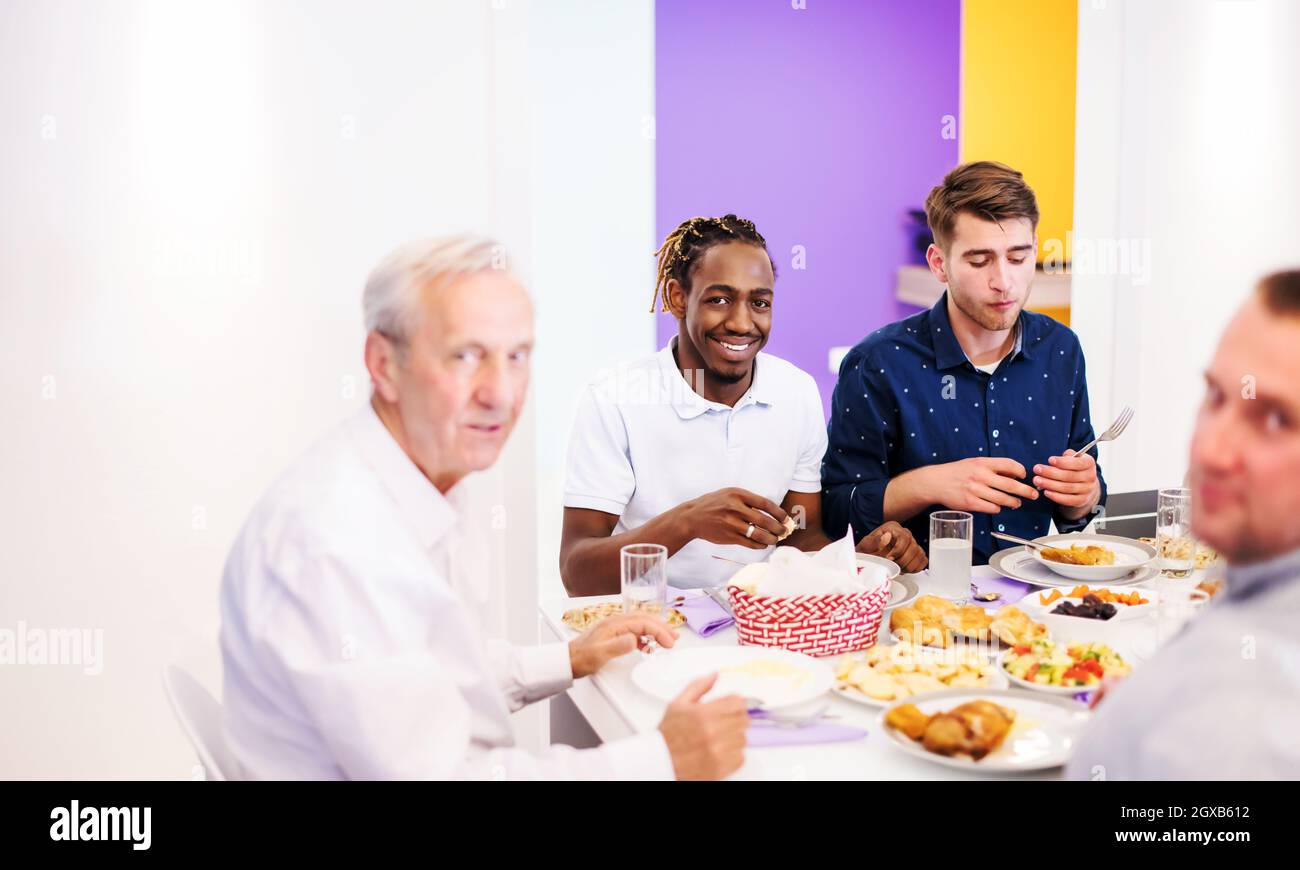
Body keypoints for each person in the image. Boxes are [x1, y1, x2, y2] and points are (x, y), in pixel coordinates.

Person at [220, 236, 748, 780]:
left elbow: (430, 674)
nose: (500, 393)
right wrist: (660, 760)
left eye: (516, 356)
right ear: (382, 364)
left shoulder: (419, 481)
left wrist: (568, 657)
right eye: (466, 356)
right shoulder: (339, 540)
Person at [560, 215, 925, 595]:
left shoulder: (795, 392)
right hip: (652, 623)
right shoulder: (615, 399)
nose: (741, 322)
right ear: (677, 298)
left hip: (762, 616)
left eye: (759, 302)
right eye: (719, 299)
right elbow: (577, 572)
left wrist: (858, 562)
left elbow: (800, 537)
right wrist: (687, 522)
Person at [1068, 270, 1300, 780]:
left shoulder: (1253, 724)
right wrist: (1148, 706)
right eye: (1216, 397)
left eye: (1276, 419)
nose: (1213, 450)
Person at [821, 161, 1106, 564]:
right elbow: (834, 513)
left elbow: (1083, 510)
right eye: (979, 261)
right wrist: (928, 484)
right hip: (921, 608)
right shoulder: (877, 364)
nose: (1003, 281)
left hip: (1034, 603)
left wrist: (1085, 495)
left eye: (1018, 258)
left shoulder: (1061, 350)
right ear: (939, 264)